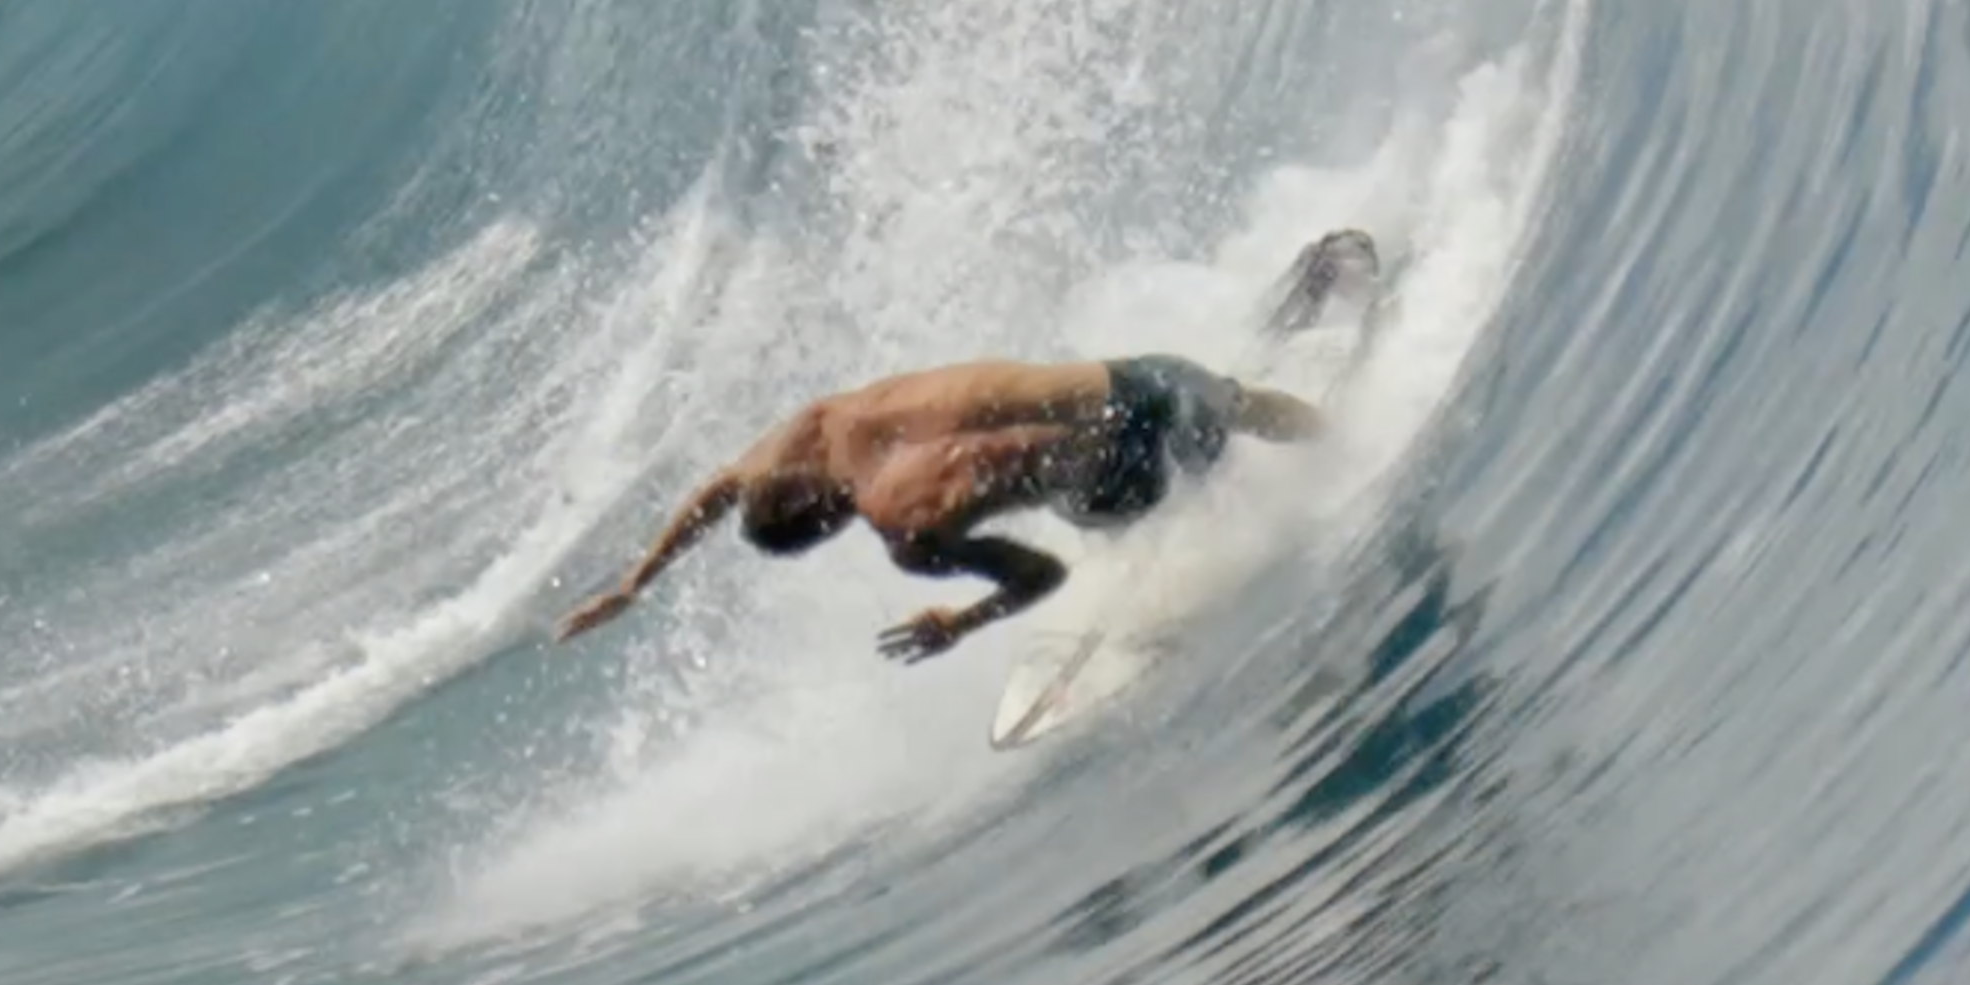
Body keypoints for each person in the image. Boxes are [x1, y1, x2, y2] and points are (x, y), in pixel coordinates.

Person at [557, 231, 1378, 665]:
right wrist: (637, 579)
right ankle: (1331, 432)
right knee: (1226, 404)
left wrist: (963, 621)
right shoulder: (817, 424)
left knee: (1105, 509)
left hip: (1122, 471)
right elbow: (724, 486)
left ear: (820, 522)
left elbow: (1038, 575)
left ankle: (1181, 534)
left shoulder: (904, 525)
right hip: (1142, 381)